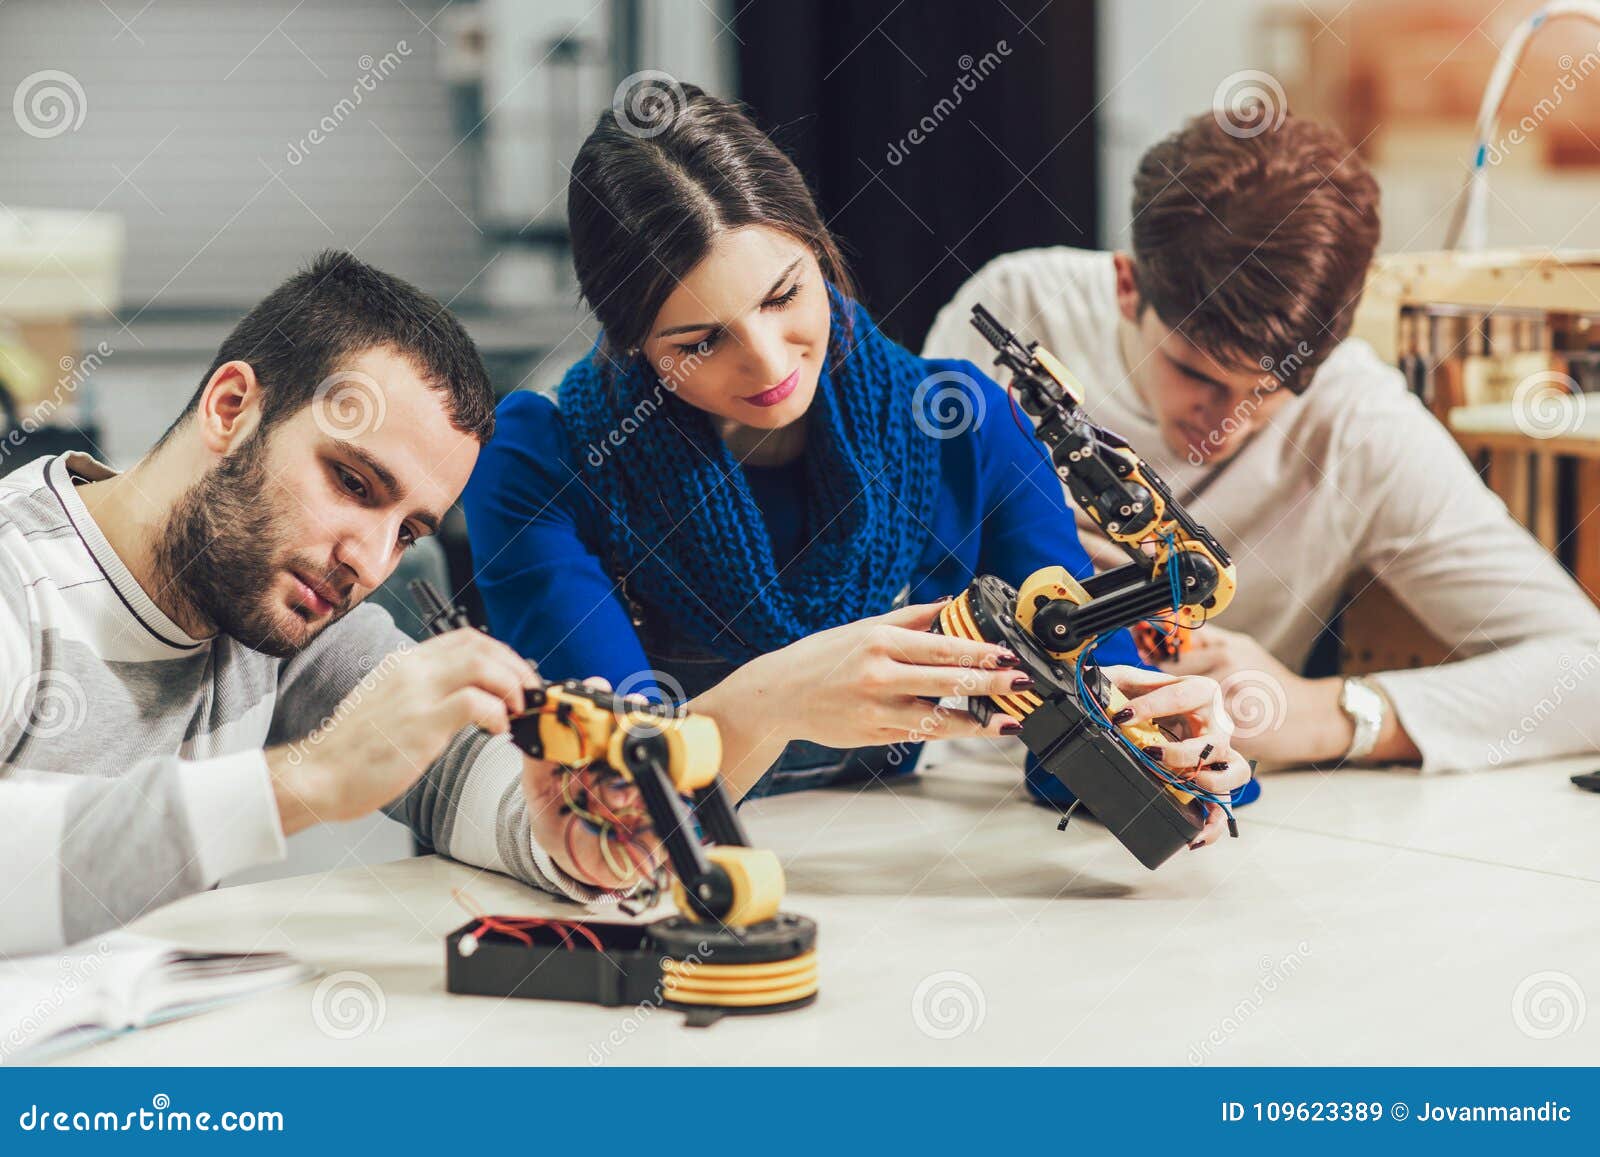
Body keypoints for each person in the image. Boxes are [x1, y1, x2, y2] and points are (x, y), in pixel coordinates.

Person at [462, 82, 1249, 840]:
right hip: (671, 907)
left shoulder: (966, 426)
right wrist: (775, 700)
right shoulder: (544, 464)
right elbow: (620, 802)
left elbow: (1068, 738)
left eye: (782, 296)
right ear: (632, 339)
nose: (769, 363)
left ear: (817, 246)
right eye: (701, 341)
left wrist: (1166, 751)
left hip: (900, 891)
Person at [0, 251, 649, 956]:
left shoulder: (274, 602)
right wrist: (307, 777)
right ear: (231, 410)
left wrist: (555, 825)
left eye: (407, 532)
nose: (369, 564)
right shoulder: (18, 581)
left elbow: (444, 764)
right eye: (352, 482)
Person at [924, 111, 1600, 772]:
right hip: (943, 779)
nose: (1225, 422)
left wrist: (1326, 714)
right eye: (1195, 373)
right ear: (1127, 286)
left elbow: (1587, 669)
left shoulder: (1355, 421)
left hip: (1190, 807)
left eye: (1270, 389)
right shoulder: (1018, 315)